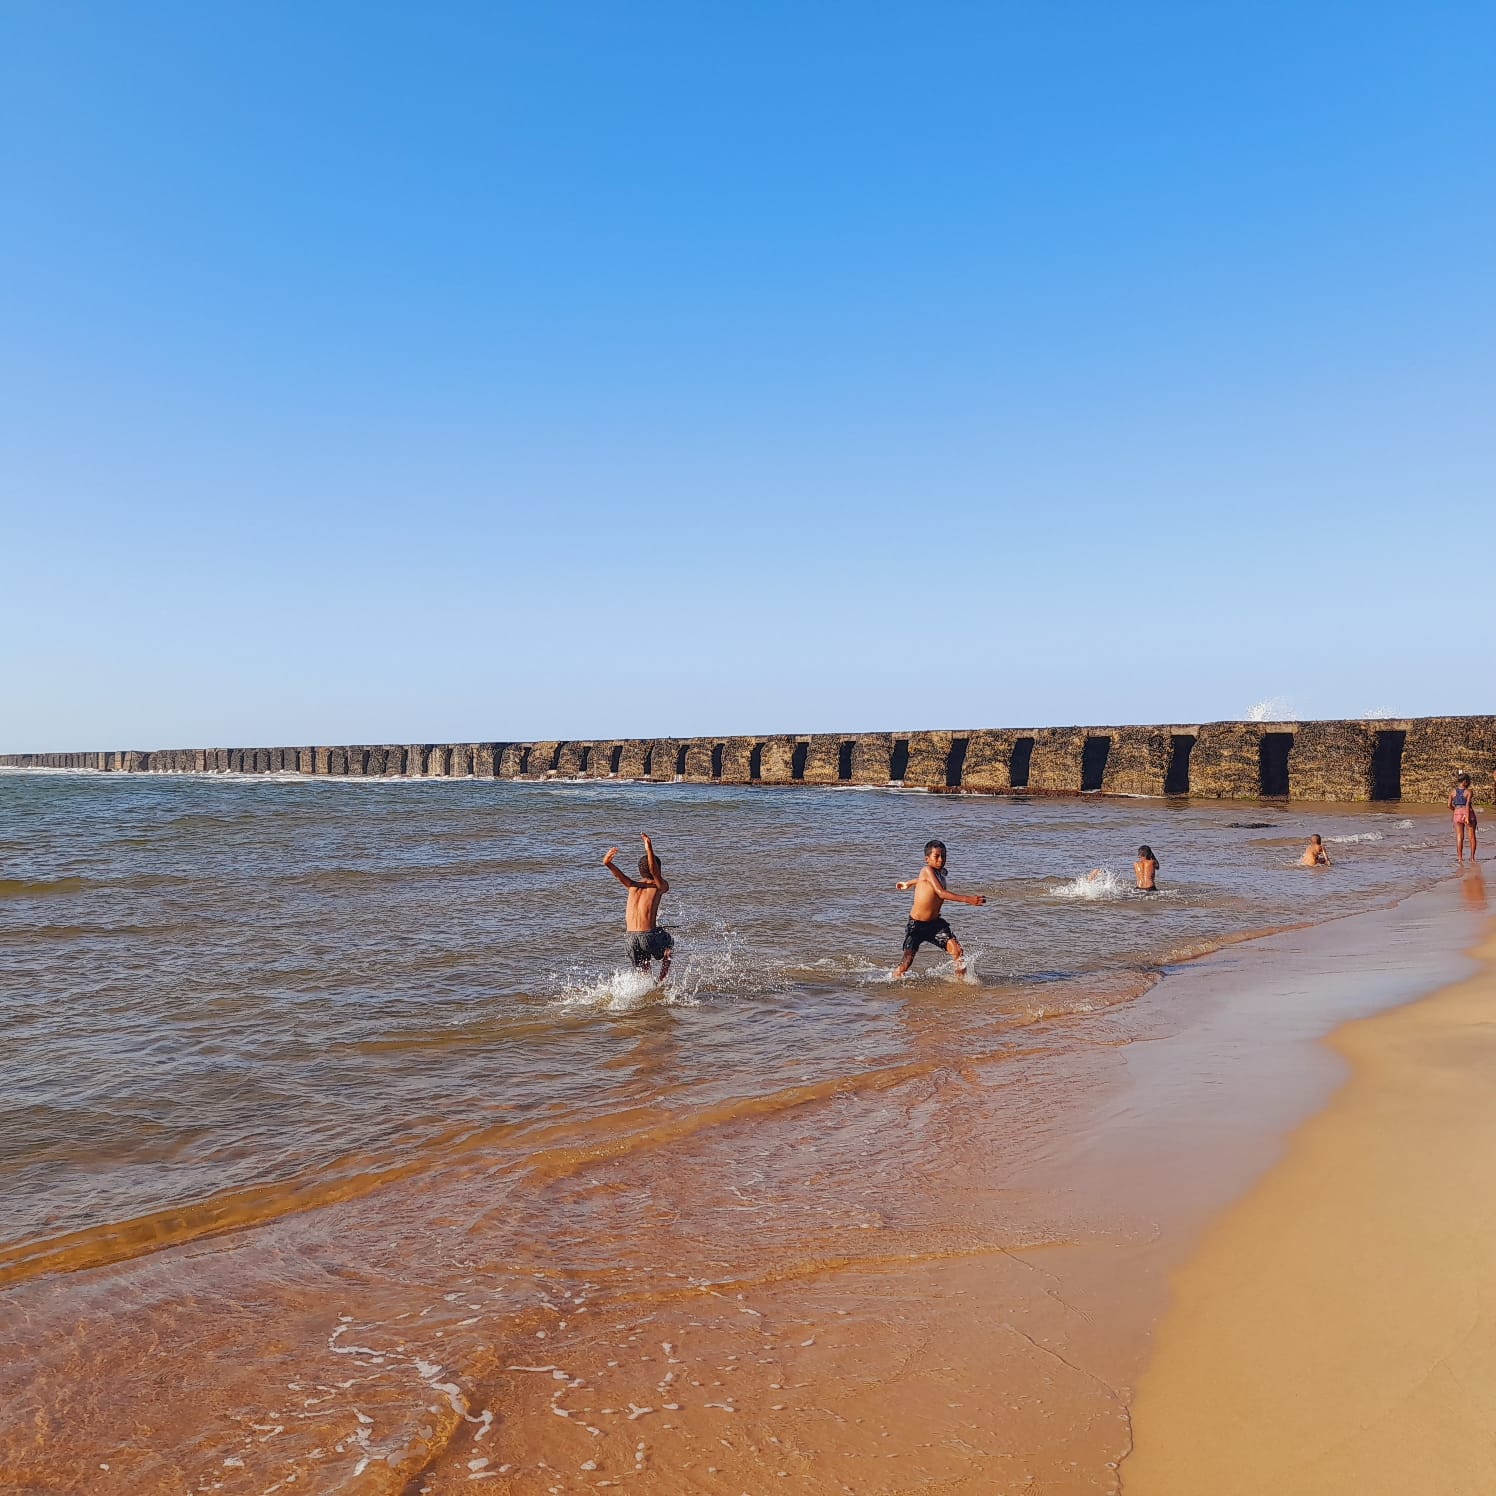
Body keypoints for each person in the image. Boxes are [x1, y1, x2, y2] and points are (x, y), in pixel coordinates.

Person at [894, 839, 986, 979]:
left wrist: (909, 883)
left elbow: (923, 880)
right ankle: (894, 979)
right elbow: (941, 892)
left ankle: (961, 983)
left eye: (944, 856)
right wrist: (968, 899)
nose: (941, 859)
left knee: (957, 951)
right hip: (916, 925)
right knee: (907, 962)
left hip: (935, 924)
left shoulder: (942, 872)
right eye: (936, 856)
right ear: (927, 859)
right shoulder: (926, 869)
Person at [603, 833, 673, 979]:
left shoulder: (632, 885)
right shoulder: (659, 886)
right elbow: (654, 872)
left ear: (639, 870)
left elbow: (617, 875)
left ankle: (646, 991)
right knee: (669, 945)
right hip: (648, 936)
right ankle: (661, 982)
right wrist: (649, 848)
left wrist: (608, 863)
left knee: (643, 973)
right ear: (658, 870)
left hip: (629, 939)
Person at [1450, 774, 1479, 863]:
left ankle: (1460, 858)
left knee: (1459, 837)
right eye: (1468, 781)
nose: (1469, 782)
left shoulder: (1452, 792)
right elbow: (1467, 804)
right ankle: (1472, 858)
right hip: (1468, 813)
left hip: (1457, 813)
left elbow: (1448, 805)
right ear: (1465, 781)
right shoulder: (1468, 792)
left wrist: (1456, 810)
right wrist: (1467, 816)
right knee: (1472, 837)